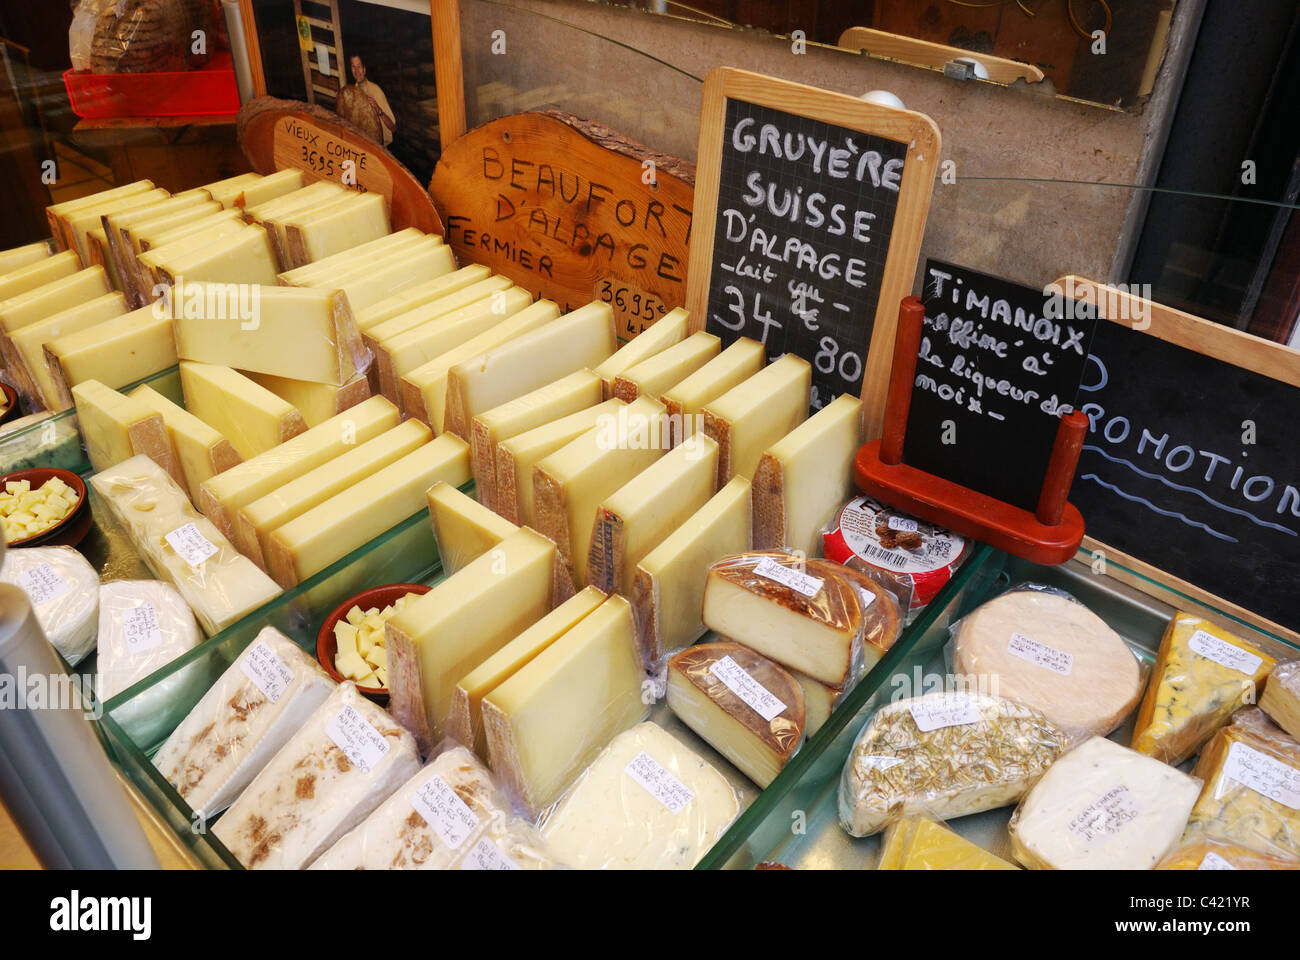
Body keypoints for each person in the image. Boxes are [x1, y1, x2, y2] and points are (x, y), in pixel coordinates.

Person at [335, 54, 396, 146]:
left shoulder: (376, 91)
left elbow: (393, 128)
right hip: (361, 145)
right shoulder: (351, 94)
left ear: (364, 69)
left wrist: (378, 110)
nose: (356, 71)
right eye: (353, 67)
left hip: (382, 147)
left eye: (359, 66)